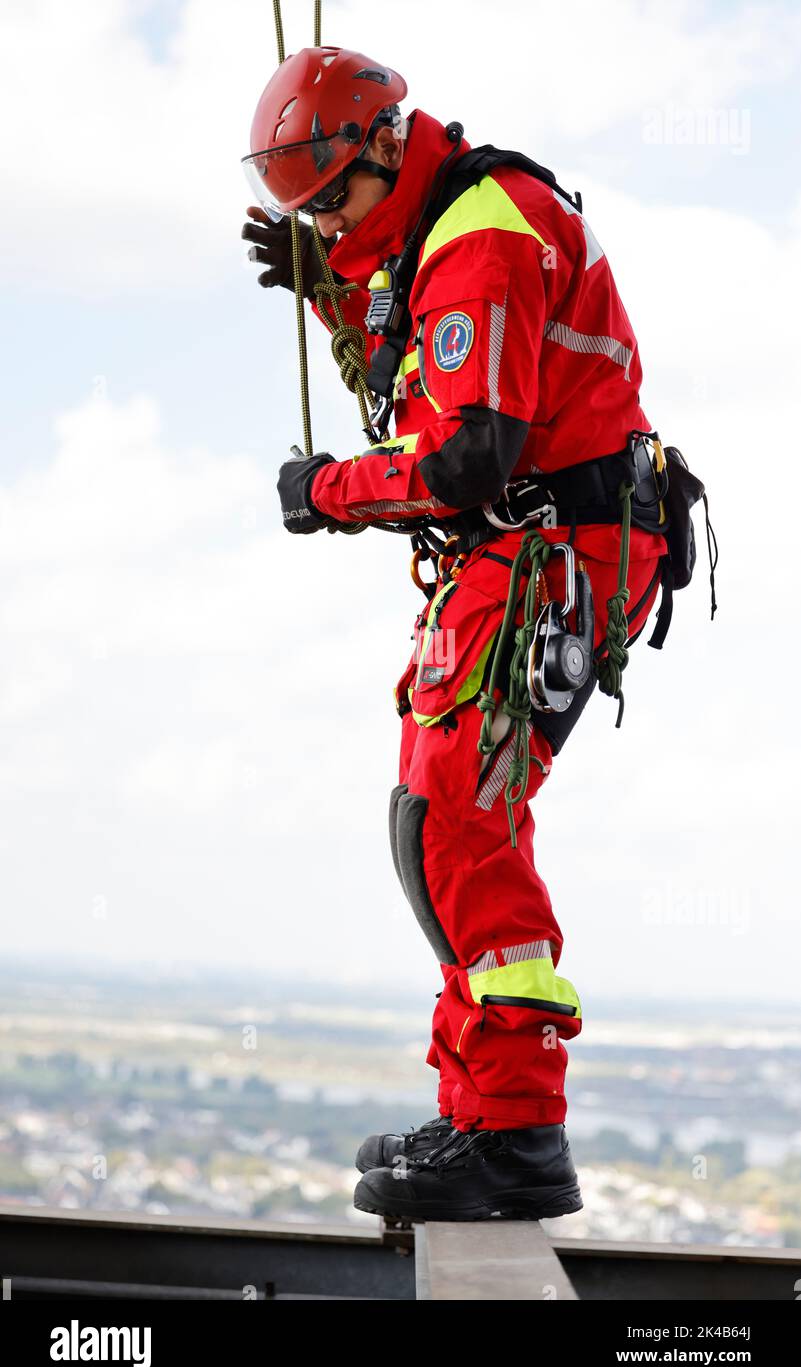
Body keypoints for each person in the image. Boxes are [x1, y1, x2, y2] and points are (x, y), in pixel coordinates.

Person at [242, 45, 670, 1222]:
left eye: (331, 194)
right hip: (532, 550)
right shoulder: (441, 229)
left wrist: (322, 493)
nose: (324, 216)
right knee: (437, 822)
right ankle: (482, 1108)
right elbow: (422, 372)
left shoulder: (481, 234)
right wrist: (328, 283)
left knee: (456, 825)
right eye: (304, 206)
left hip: (552, 551)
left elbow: (464, 453)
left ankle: (516, 1131)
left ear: (387, 142)